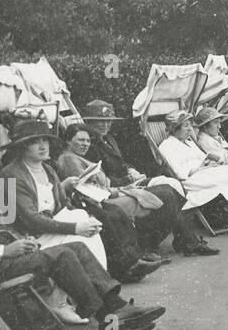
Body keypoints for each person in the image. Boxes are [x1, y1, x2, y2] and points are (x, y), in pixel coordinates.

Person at [0, 119, 160, 285]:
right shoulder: (11, 175)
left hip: (52, 225)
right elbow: (31, 220)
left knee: (88, 220)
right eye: (34, 142)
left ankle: (108, 282)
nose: (42, 146)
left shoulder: (46, 169)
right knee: (84, 230)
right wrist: (75, 227)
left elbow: (63, 203)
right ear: (22, 146)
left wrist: (85, 216)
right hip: (32, 237)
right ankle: (107, 286)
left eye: (45, 140)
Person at [82, 99, 217, 257]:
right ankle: (182, 241)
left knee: (172, 184)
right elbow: (102, 176)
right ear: (89, 122)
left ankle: (185, 240)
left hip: (130, 180)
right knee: (168, 190)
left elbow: (121, 162)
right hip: (121, 186)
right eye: (101, 122)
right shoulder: (89, 145)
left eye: (108, 121)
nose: (106, 125)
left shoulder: (109, 139)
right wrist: (128, 179)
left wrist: (131, 169)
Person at [55, 124, 181, 264]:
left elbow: (100, 183)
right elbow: (87, 189)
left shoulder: (78, 157)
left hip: (109, 195)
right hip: (102, 202)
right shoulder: (68, 159)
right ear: (68, 141)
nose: (85, 144)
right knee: (166, 194)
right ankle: (146, 246)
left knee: (167, 192)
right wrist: (117, 189)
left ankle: (149, 245)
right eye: (81, 140)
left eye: (88, 141)